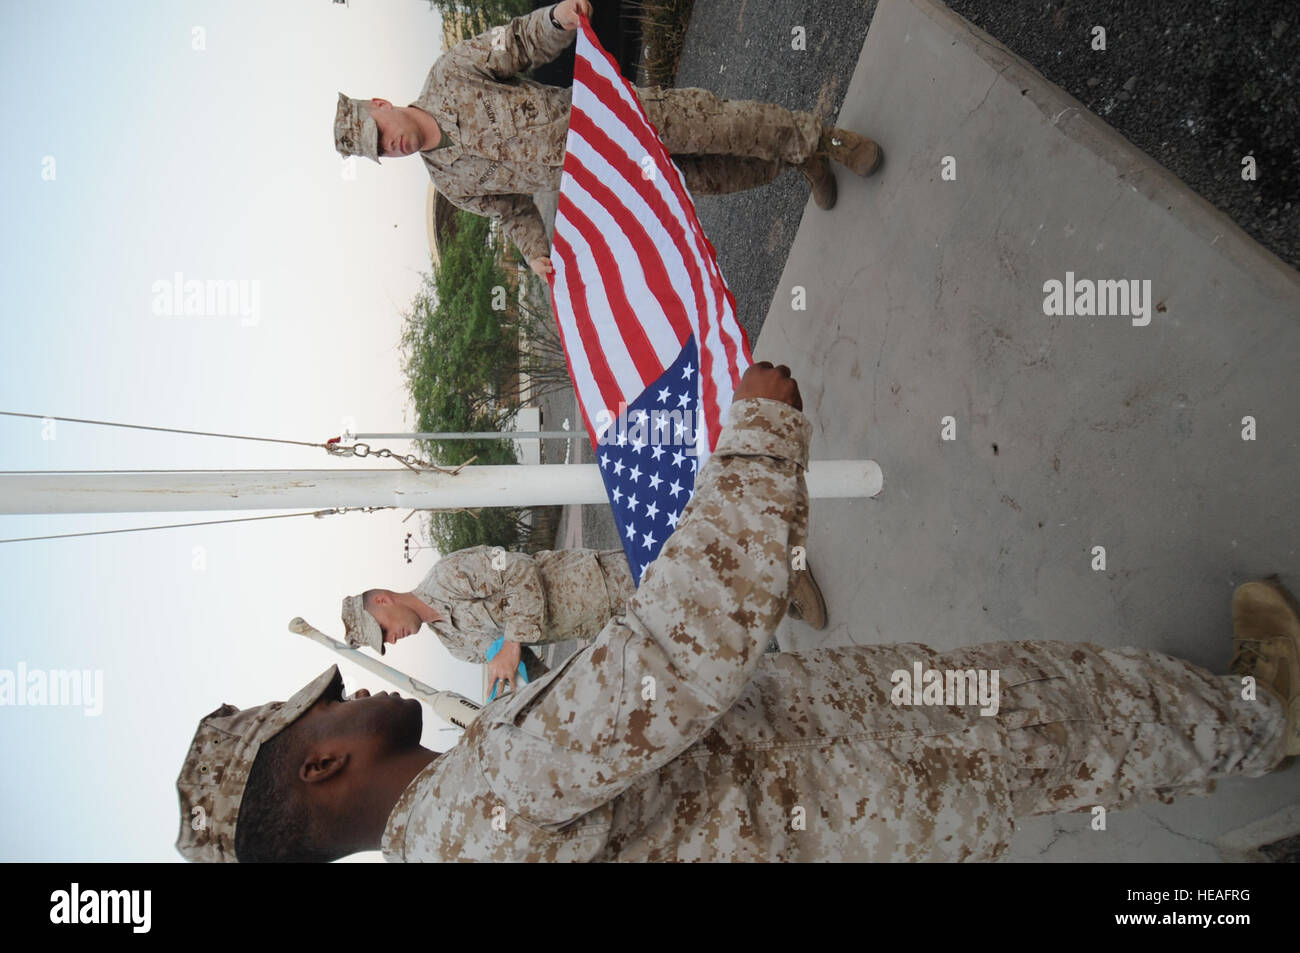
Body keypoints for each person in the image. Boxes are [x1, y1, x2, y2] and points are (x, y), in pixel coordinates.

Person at [175, 363, 1295, 862]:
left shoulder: (456, 831)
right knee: (1069, 711)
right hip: (872, 765)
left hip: (861, 805)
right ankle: (1265, 713)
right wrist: (758, 436)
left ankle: (1223, 740)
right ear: (320, 768)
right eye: (330, 706)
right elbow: (678, 653)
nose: (358, 685)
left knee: (1068, 755)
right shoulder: (482, 800)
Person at [332, 0, 879, 279]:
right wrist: (536, 253)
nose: (390, 147)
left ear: (381, 105)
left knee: (723, 125)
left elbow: (516, 44)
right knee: (717, 174)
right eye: (379, 152)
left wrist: (557, 19)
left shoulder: (450, 73)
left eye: (380, 135)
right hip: (610, 178)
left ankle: (826, 141)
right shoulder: (448, 181)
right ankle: (799, 162)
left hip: (613, 118)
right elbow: (511, 211)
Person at [341, 543, 828, 697]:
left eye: (384, 631)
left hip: (593, 582)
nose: (395, 639)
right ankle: (775, 584)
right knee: (691, 609)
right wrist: (515, 690)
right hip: (595, 623)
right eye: (386, 644)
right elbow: (520, 663)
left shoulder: (447, 575)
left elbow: (521, 573)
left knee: (690, 574)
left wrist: (511, 643)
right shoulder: (455, 645)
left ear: (383, 600)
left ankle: (780, 565)